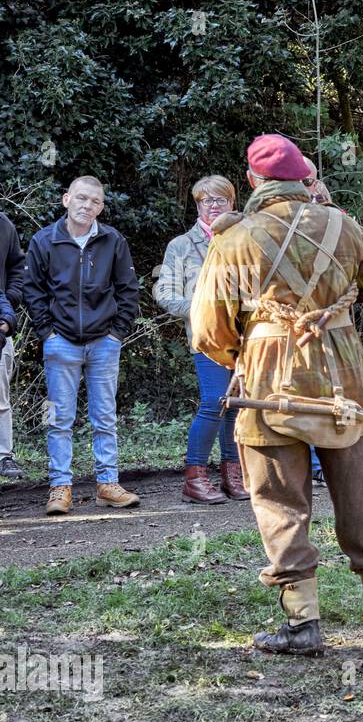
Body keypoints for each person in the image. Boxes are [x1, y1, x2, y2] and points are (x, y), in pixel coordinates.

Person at [192, 133, 363, 656]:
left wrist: (246, 350)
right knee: (361, 495)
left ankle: (302, 623)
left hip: (269, 386)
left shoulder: (234, 238)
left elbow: (208, 328)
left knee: (280, 500)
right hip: (343, 379)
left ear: (252, 182)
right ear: (303, 177)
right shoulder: (345, 224)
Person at [24, 176, 140, 515]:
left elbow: (128, 290)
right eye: (81, 198)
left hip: (104, 342)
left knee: (104, 416)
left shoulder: (113, 241)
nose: (87, 206)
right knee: (59, 419)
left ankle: (107, 484)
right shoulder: (45, 241)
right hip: (61, 344)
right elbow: (33, 290)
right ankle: (60, 488)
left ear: (101, 207)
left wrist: (117, 333)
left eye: (95, 202)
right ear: (66, 200)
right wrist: (47, 332)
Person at [156, 174, 248, 504]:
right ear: (197, 204)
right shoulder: (182, 245)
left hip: (245, 339)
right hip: (207, 338)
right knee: (214, 402)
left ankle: (232, 474)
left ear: (231, 203)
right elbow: (164, 292)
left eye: (219, 200)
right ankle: (194, 478)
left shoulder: (243, 239)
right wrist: (201, 311)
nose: (212, 206)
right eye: (205, 200)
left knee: (236, 406)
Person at [0, 210, 24, 479]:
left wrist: (8, 310)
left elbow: (18, 268)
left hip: (1, 322)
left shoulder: (3, 224)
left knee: (0, 395)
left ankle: (4, 455)